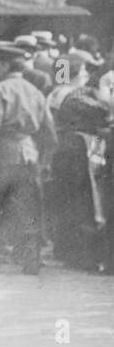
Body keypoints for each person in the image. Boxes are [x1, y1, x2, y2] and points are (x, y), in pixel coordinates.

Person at [0, 42, 57, 274]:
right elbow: (50, 132)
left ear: (4, 65)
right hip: (29, 152)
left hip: (2, 152)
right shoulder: (35, 91)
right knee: (28, 207)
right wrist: (44, 160)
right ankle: (30, 259)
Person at [46, 92, 112, 272]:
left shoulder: (69, 95)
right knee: (85, 206)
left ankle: (71, 253)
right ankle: (85, 256)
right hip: (79, 155)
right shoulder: (81, 98)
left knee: (73, 207)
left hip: (71, 152)